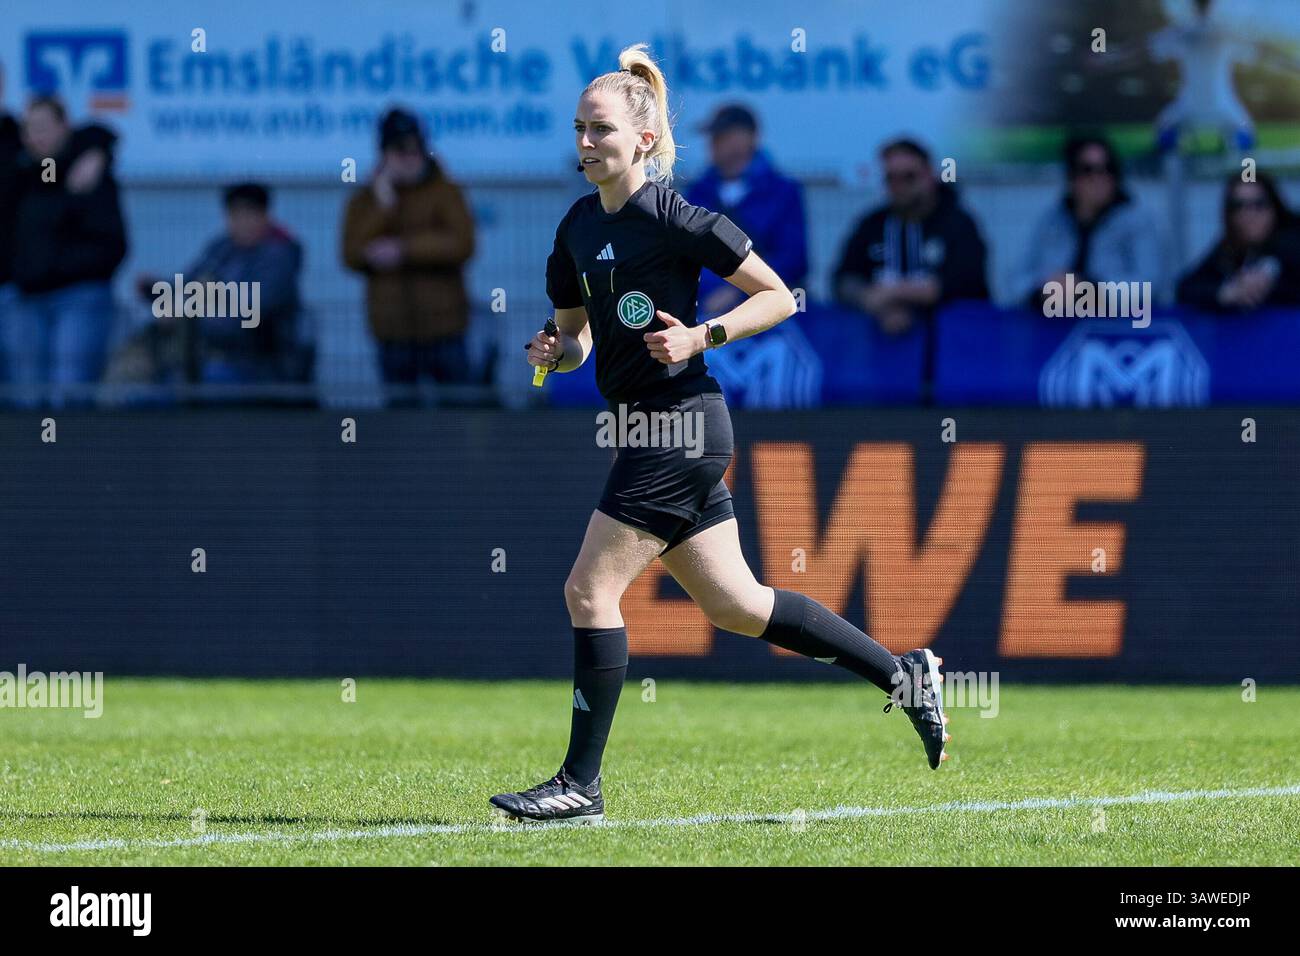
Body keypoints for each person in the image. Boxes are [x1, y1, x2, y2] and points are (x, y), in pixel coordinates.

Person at [489, 44, 951, 826]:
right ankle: (904, 672)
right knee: (739, 607)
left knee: (588, 590)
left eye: (599, 129)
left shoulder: (675, 216)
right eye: (577, 129)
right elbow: (575, 342)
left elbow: (779, 297)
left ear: (643, 139)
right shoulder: (573, 230)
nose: (585, 143)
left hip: (680, 426)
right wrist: (554, 355)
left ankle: (580, 784)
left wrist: (703, 338)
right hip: (648, 427)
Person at [832, 137, 988, 398]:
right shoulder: (872, 225)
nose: (900, 186)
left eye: (909, 177)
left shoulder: (959, 224)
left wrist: (894, 294)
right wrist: (873, 302)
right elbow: (843, 280)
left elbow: (961, 281)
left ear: (929, 175)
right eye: (891, 178)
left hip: (959, 367)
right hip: (886, 368)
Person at [341, 108, 475, 405]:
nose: (407, 158)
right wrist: (383, 205)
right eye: (398, 150)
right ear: (383, 154)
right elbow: (351, 253)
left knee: (460, 409)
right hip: (393, 331)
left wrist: (404, 250)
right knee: (402, 420)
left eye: (414, 150)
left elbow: (461, 244)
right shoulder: (366, 199)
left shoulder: (445, 192)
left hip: (444, 327)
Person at [5, 96, 127, 408]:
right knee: (25, 395)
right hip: (24, 298)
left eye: (44, 127)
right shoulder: (21, 173)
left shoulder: (88, 171)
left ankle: (69, 458)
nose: (37, 136)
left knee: (70, 394)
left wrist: (54, 269)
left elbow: (113, 244)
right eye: (30, 129)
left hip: (78, 297)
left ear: (64, 127)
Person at [131, 182, 308, 392]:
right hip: (204, 356)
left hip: (256, 364)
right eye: (235, 215)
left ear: (265, 216)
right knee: (144, 388)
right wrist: (159, 291)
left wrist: (193, 307)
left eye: (249, 214)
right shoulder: (221, 249)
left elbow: (253, 309)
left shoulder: (278, 256)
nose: (243, 223)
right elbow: (190, 283)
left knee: (176, 391)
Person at [1007, 135, 1164, 310]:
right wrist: (1044, 289)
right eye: (1088, 170)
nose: (1100, 178)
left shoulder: (1138, 221)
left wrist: (1088, 290)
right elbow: (1016, 281)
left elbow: (1150, 286)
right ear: (1071, 177)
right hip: (1054, 328)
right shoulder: (1051, 221)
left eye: (1108, 169)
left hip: (1114, 330)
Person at [685, 104, 807, 318]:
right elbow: (686, 255)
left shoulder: (782, 191)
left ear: (747, 138)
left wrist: (738, 292)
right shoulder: (697, 192)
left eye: (722, 136)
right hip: (704, 313)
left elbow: (794, 260)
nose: (713, 144)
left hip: (769, 318)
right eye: (714, 137)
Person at [1176, 172, 1300, 311]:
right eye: (1238, 206)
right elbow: (1185, 287)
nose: (1248, 214)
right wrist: (1225, 292)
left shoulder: (1292, 232)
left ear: (1274, 206)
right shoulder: (1230, 246)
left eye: (1258, 204)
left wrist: (1270, 271)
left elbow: (1289, 255)